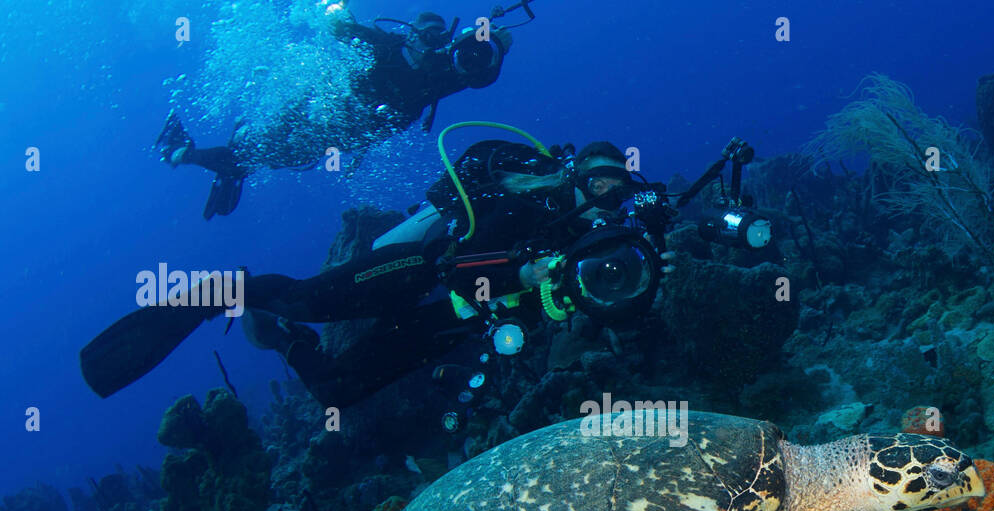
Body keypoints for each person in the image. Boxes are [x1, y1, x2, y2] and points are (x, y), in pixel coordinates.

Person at [80, 138, 676, 413]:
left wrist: (650, 274)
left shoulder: (605, 248)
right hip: (418, 270)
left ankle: (281, 339)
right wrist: (523, 267)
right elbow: (461, 265)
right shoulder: (528, 205)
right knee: (304, 297)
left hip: (456, 319)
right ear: (576, 178)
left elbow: (611, 309)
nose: (606, 197)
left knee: (338, 391)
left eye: (618, 188)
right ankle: (218, 293)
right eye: (597, 182)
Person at [155, 12, 513, 220]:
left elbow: (482, 75)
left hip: (341, 134)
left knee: (274, 156)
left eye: (438, 35)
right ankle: (186, 153)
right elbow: (342, 29)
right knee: (261, 150)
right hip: (324, 110)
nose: (429, 42)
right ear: (413, 33)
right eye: (425, 33)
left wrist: (493, 41)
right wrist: (339, 19)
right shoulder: (388, 45)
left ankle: (232, 155)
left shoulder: (447, 71)